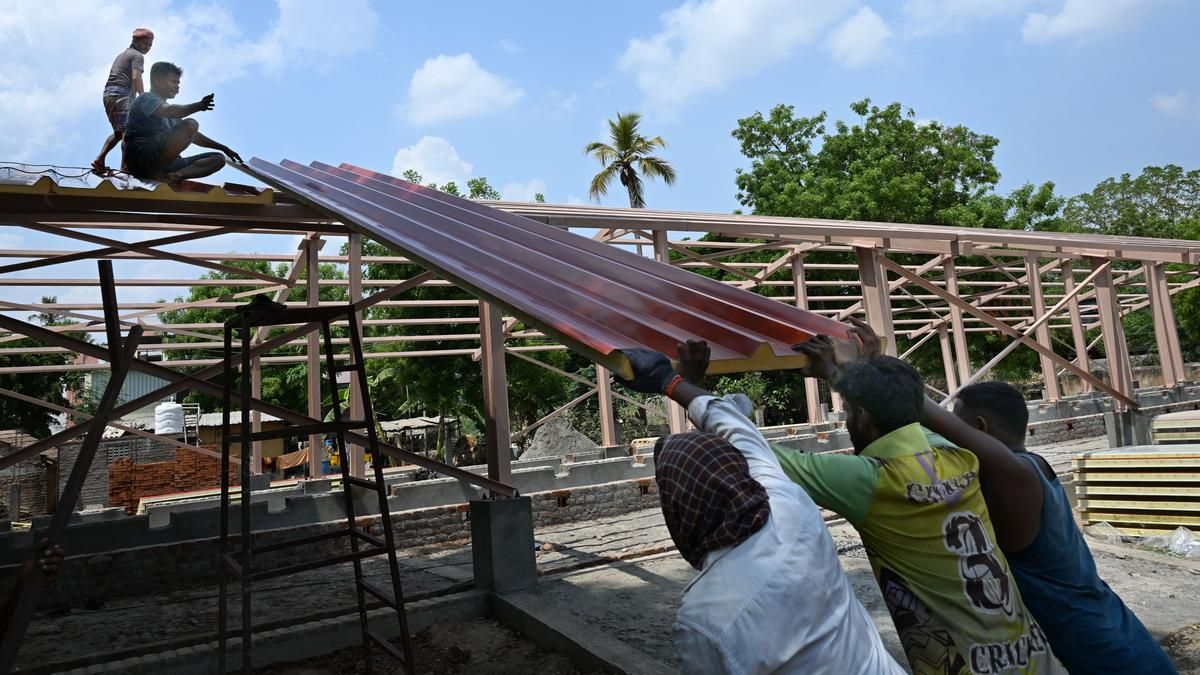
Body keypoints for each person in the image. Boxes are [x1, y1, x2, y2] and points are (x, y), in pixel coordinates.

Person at [778, 324, 1060, 674]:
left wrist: (688, 386)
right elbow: (902, 408)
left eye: (850, 412)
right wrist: (853, 374)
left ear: (863, 417)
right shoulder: (961, 458)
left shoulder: (874, 482)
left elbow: (755, 453)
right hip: (1039, 663)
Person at [616, 342, 905, 674]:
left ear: (678, 510)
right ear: (737, 475)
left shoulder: (703, 619)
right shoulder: (791, 507)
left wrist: (677, 381)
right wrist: (671, 381)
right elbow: (742, 436)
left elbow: (742, 437)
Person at [944, 381, 1176, 674]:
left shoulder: (1018, 476)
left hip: (1108, 655)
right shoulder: (1037, 466)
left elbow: (933, 419)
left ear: (980, 428)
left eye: (959, 426)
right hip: (1118, 634)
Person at [123, 61, 241, 184]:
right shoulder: (146, 98)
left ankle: (174, 175)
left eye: (178, 83)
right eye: (173, 82)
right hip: (143, 160)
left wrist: (224, 148)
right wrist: (198, 106)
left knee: (218, 159)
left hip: (168, 163)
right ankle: (156, 174)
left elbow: (193, 135)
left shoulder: (172, 113)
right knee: (191, 124)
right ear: (157, 80)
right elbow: (171, 111)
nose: (177, 86)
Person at [92, 28, 154, 175]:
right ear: (134, 41)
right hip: (121, 94)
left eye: (150, 45)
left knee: (119, 133)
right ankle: (125, 168)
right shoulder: (137, 56)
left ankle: (100, 160)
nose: (147, 48)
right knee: (129, 132)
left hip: (110, 95)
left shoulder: (124, 54)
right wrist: (143, 96)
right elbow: (136, 76)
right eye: (144, 44)